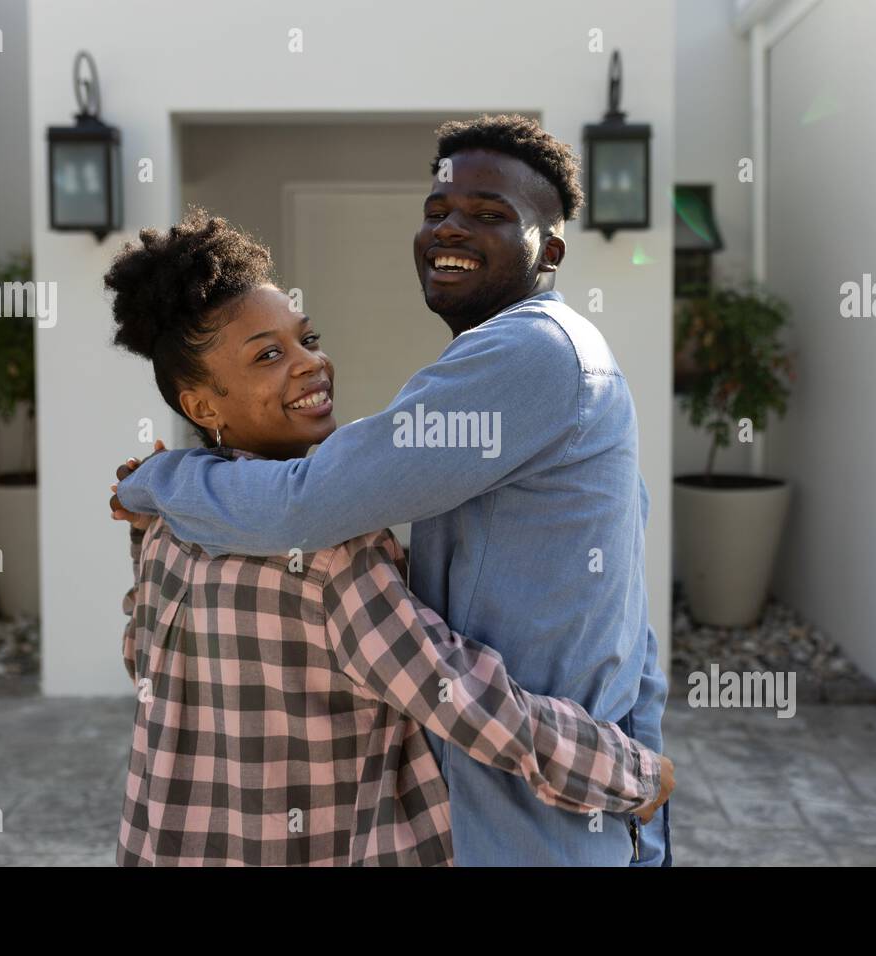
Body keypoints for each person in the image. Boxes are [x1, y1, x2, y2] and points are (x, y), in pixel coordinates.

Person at [114, 114, 672, 866]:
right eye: (437, 210)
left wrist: (158, 479)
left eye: (488, 214)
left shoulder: (529, 355)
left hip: (521, 827)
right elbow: (452, 690)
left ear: (553, 248)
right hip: (521, 807)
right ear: (200, 405)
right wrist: (632, 772)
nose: (449, 229)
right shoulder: (321, 547)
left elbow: (153, 644)